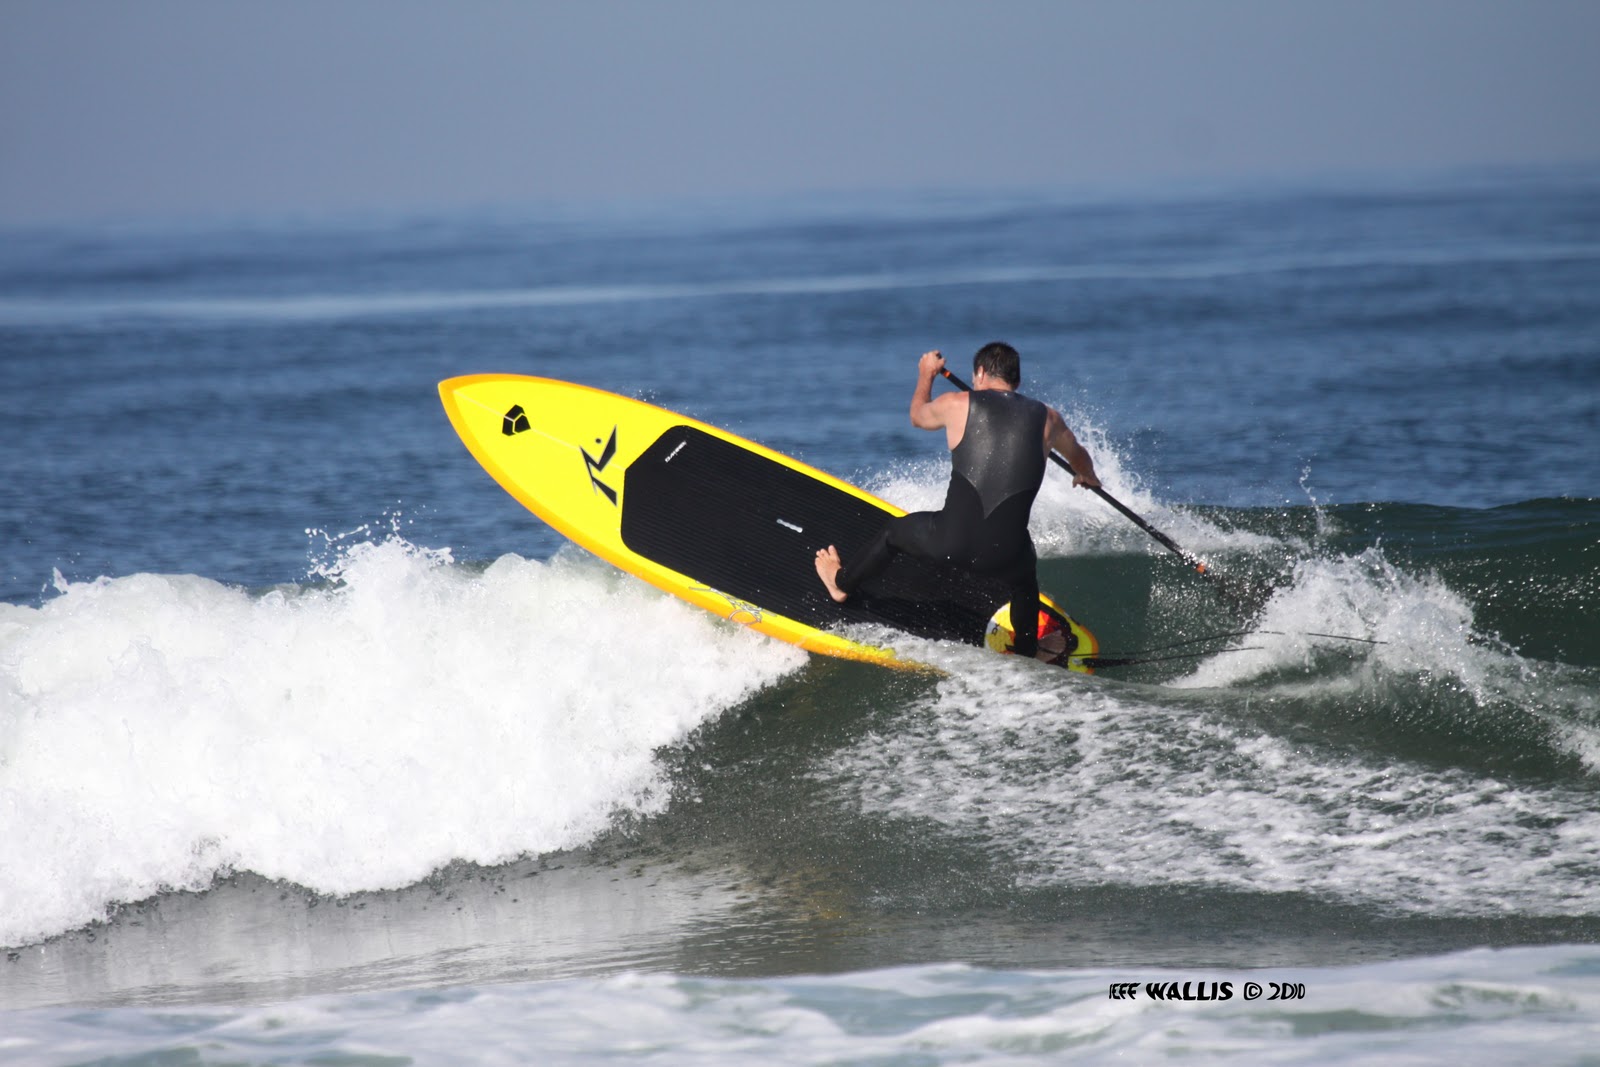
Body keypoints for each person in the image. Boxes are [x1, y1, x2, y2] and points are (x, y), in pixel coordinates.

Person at [814, 342, 1101, 660]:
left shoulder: (957, 403)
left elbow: (918, 416)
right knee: (1024, 578)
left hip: (948, 544)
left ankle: (841, 583)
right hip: (1005, 558)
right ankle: (1025, 648)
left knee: (893, 533)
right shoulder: (1049, 419)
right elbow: (1079, 457)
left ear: (979, 373)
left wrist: (926, 375)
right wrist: (1087, 476)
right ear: (1016, 381)